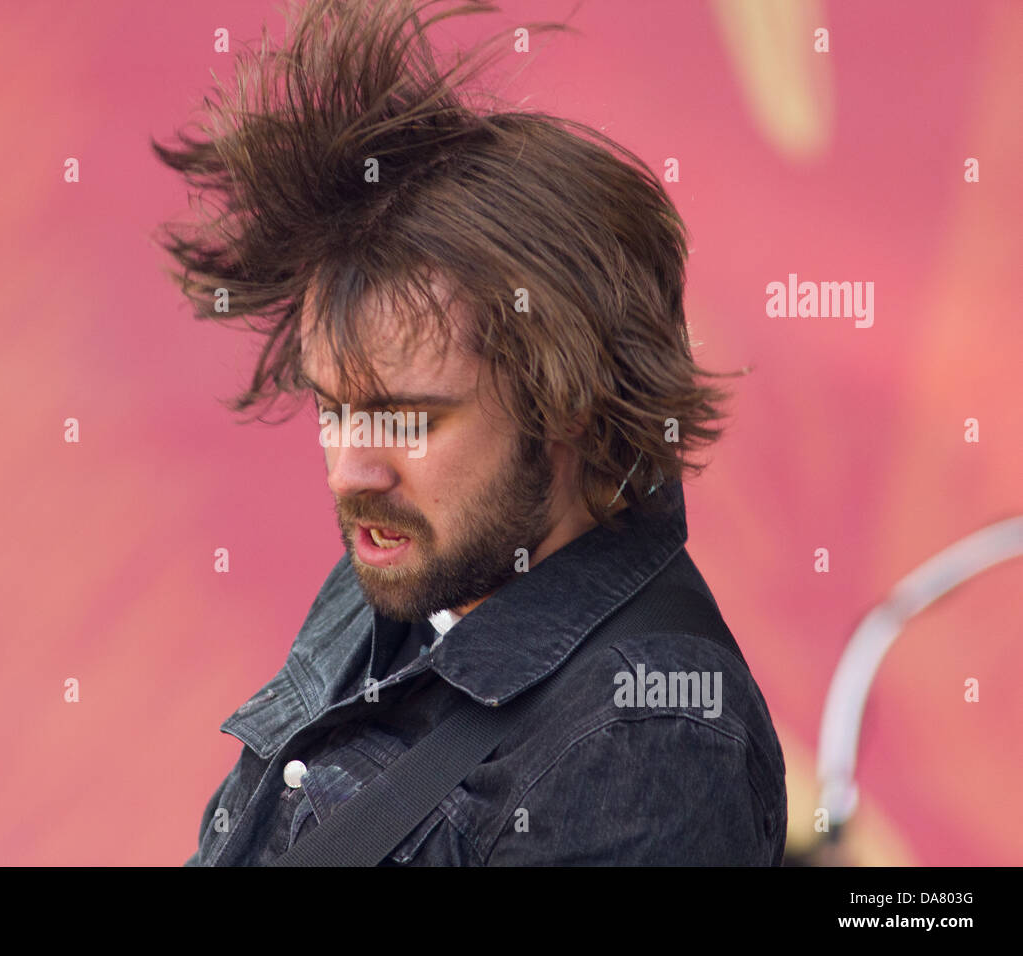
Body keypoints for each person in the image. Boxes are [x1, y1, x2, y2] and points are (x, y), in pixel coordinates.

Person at [154, 0, 786, 865]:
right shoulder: (413, 563)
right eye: (332, 408)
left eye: (406, 416)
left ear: (563, 399)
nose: (350, 470)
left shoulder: (646, 737)